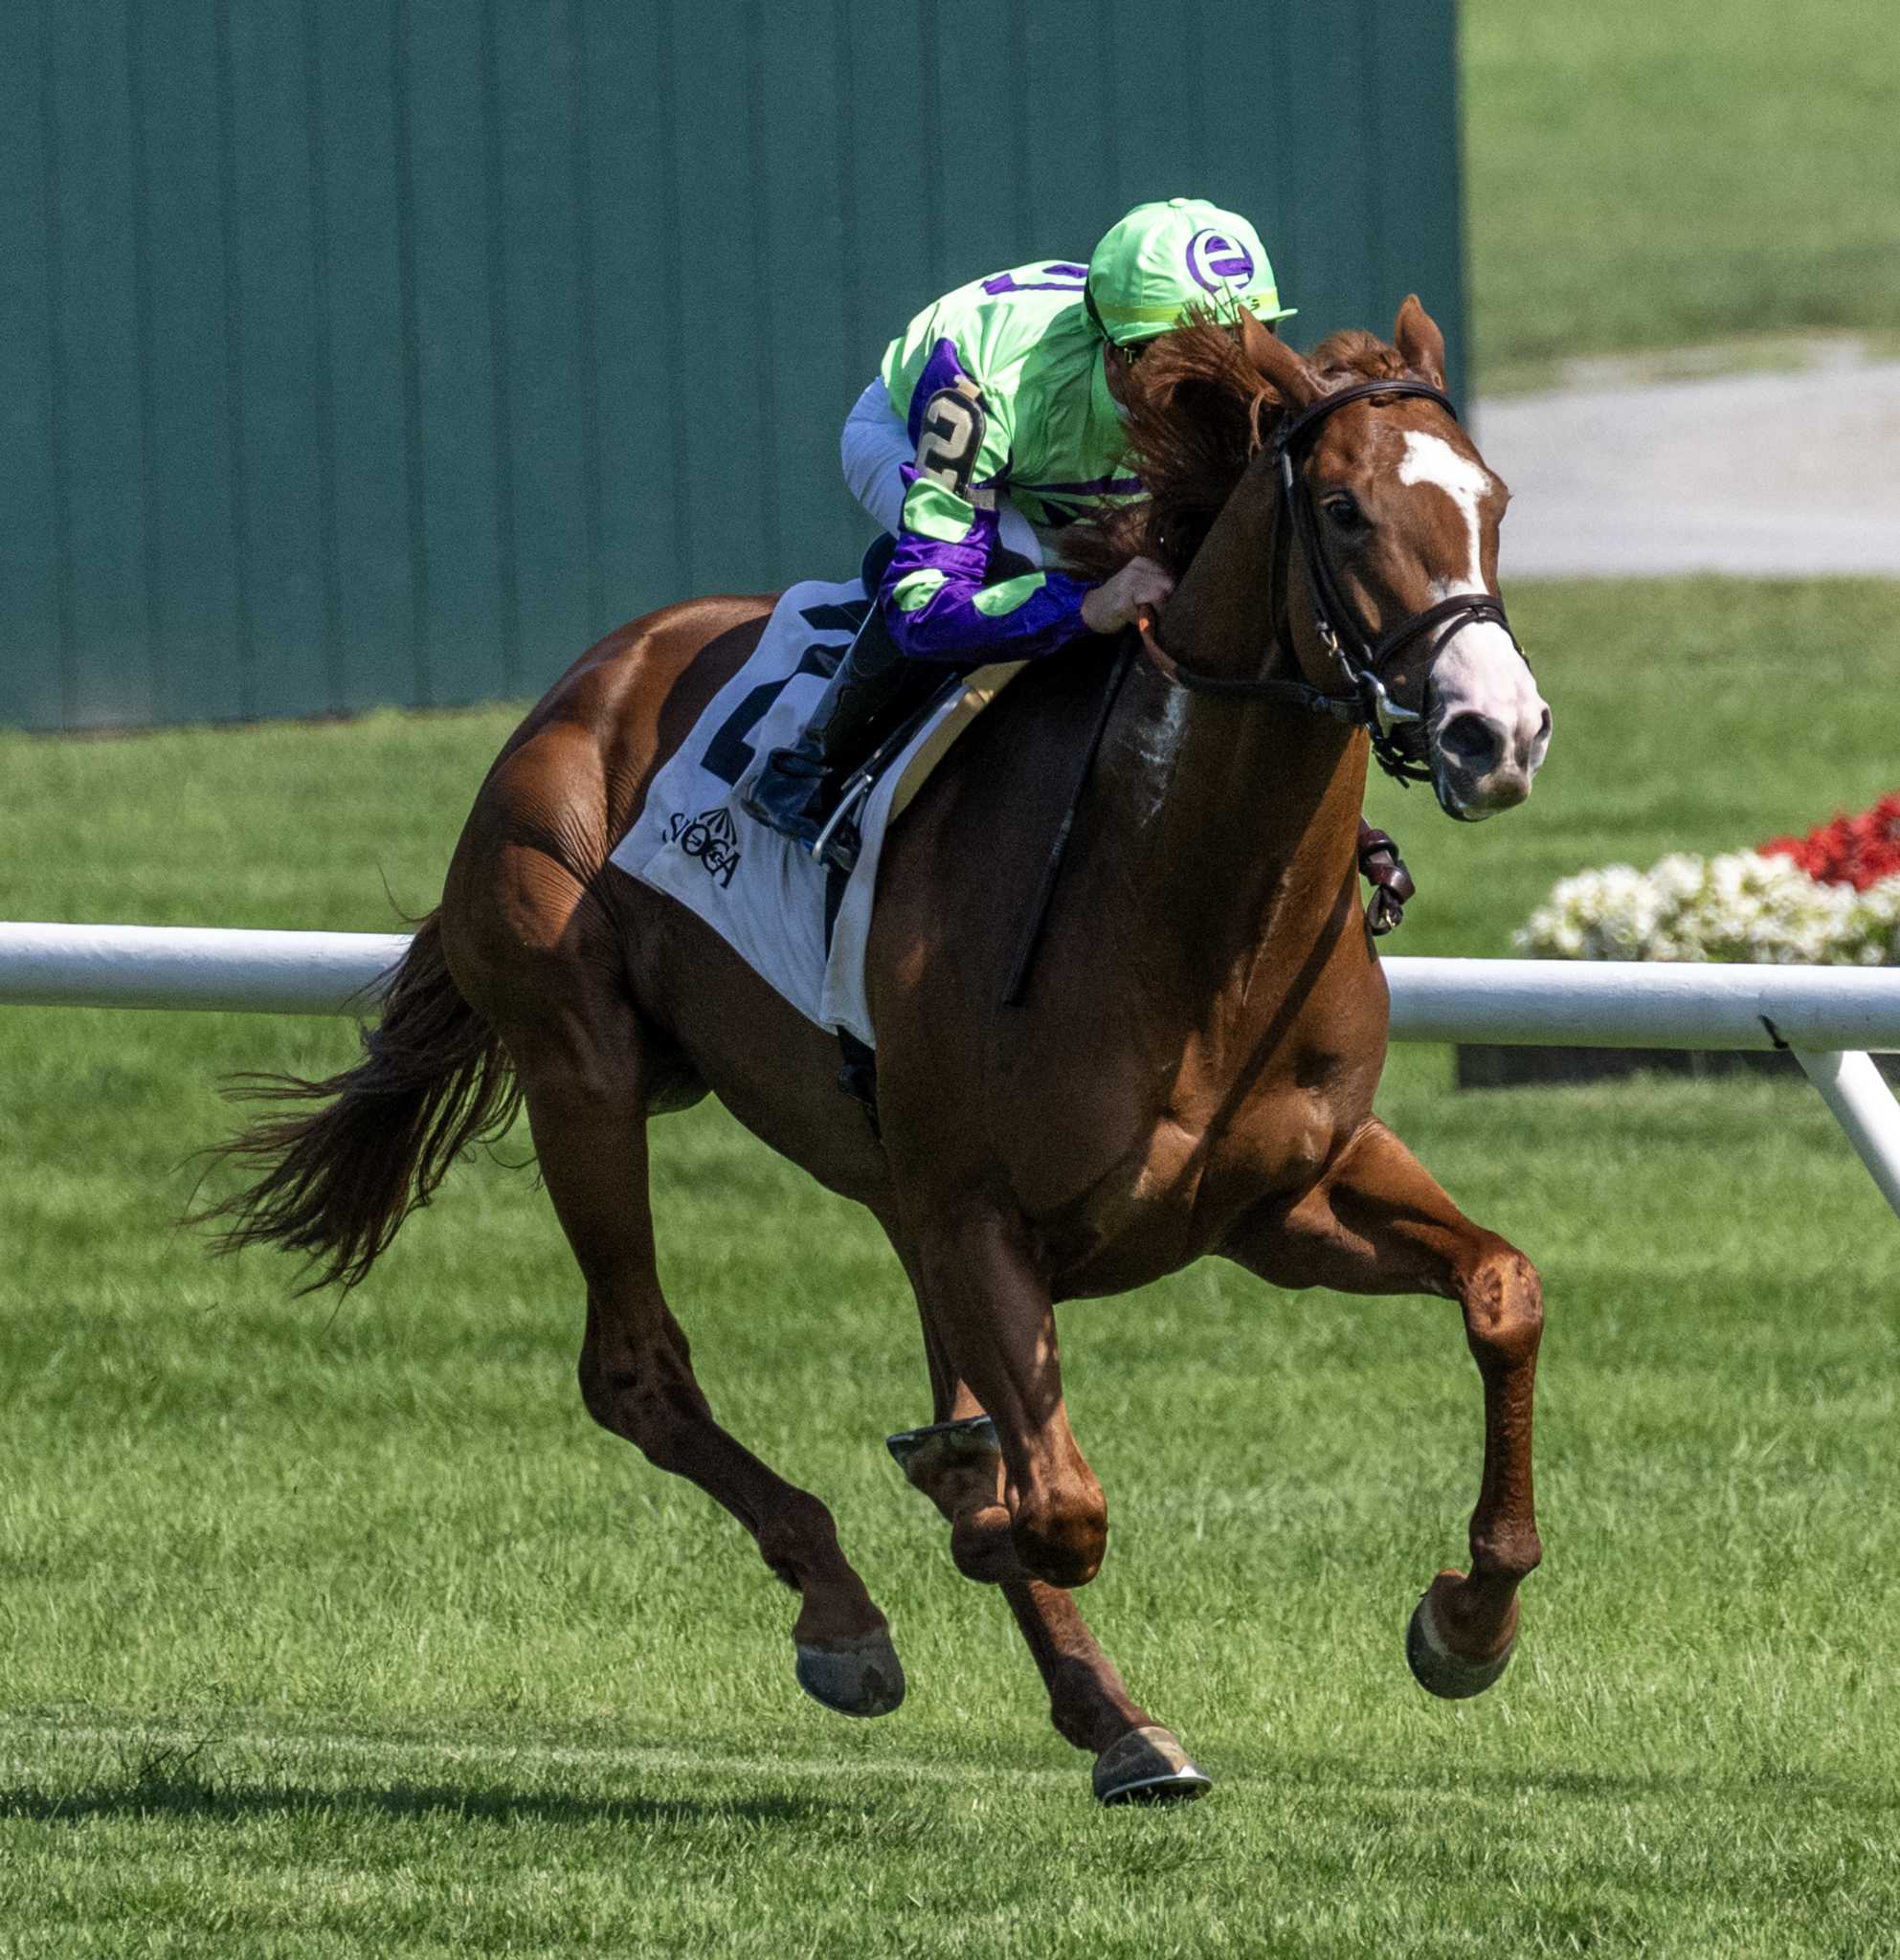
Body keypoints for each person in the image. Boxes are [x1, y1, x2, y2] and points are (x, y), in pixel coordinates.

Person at [742, 197, 1295, 857]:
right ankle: (804, 772)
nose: (1229, 383)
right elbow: (926, 612)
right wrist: (1089, 606)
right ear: (1120, 358)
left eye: (1244, 344)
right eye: (1193, 363)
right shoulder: (979, 392)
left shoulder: (1218, 376)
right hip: (905, 430)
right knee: (1007, 558)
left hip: (1063, 460)